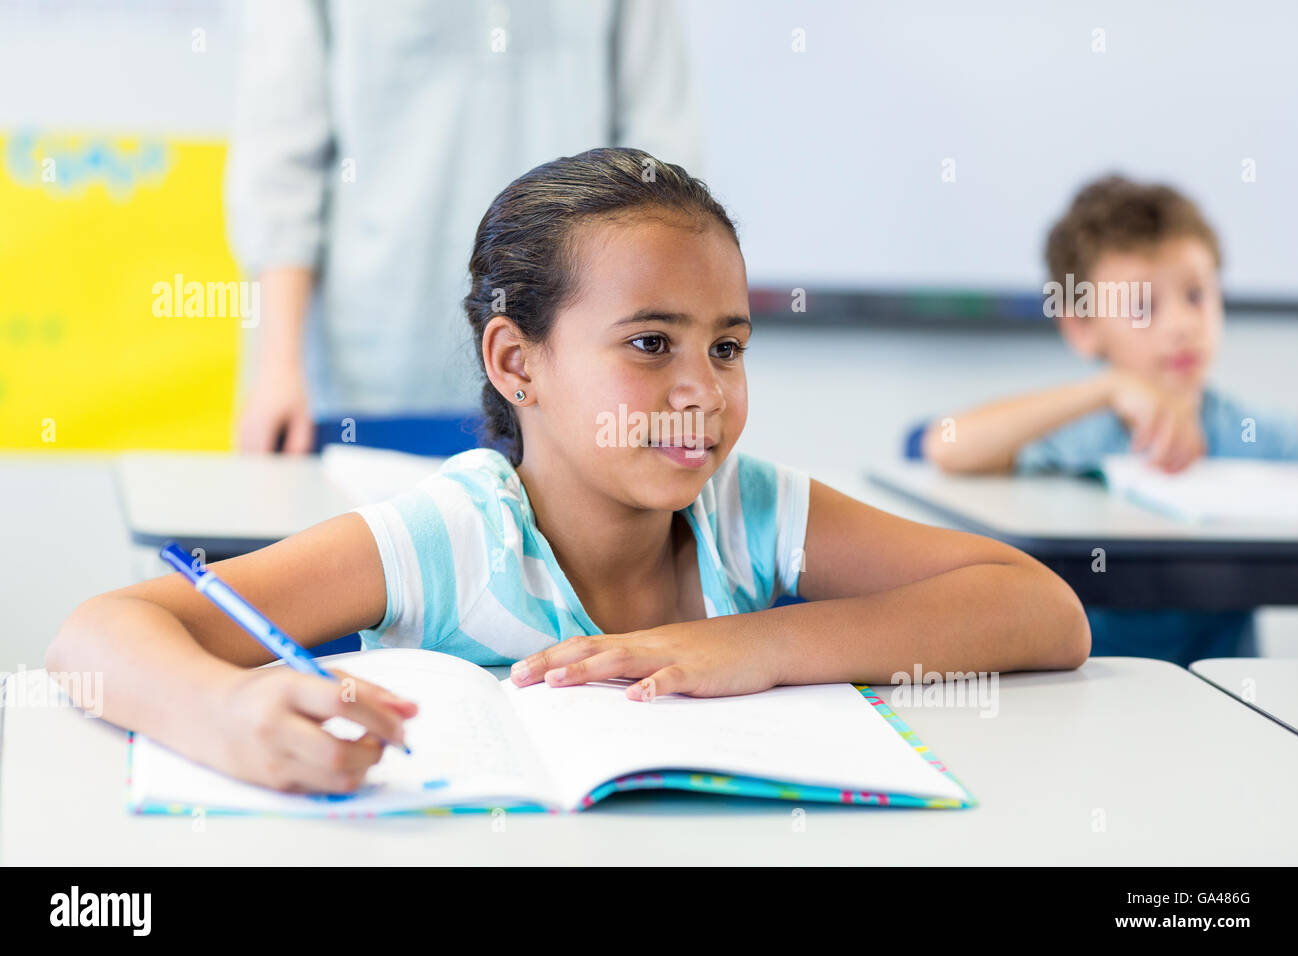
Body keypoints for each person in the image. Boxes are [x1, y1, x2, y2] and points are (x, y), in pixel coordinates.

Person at [48, 148, 1087, 795]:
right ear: (517, 361)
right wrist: (227, 715)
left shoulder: (752, 508)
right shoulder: (450, 532)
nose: (703, 390)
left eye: (727, 347)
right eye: (649, 345)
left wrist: (755, 643)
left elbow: (1043, 611)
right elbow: (96, 631)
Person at [225, 0, 703, 456]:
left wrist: (661, 365)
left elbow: (657, 153)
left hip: (568, 371)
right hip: (363, 373)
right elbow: (282, 158)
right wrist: (279, 367)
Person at [922, 175, 1298, 665]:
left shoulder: (1252, 434)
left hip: (1226, 705)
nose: (1182, 324)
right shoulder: (1074, 439)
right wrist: (1106, 387)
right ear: (1082, 328)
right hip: (1089, 694)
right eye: (1143, 307)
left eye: (1196, 295)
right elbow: (946, 446)